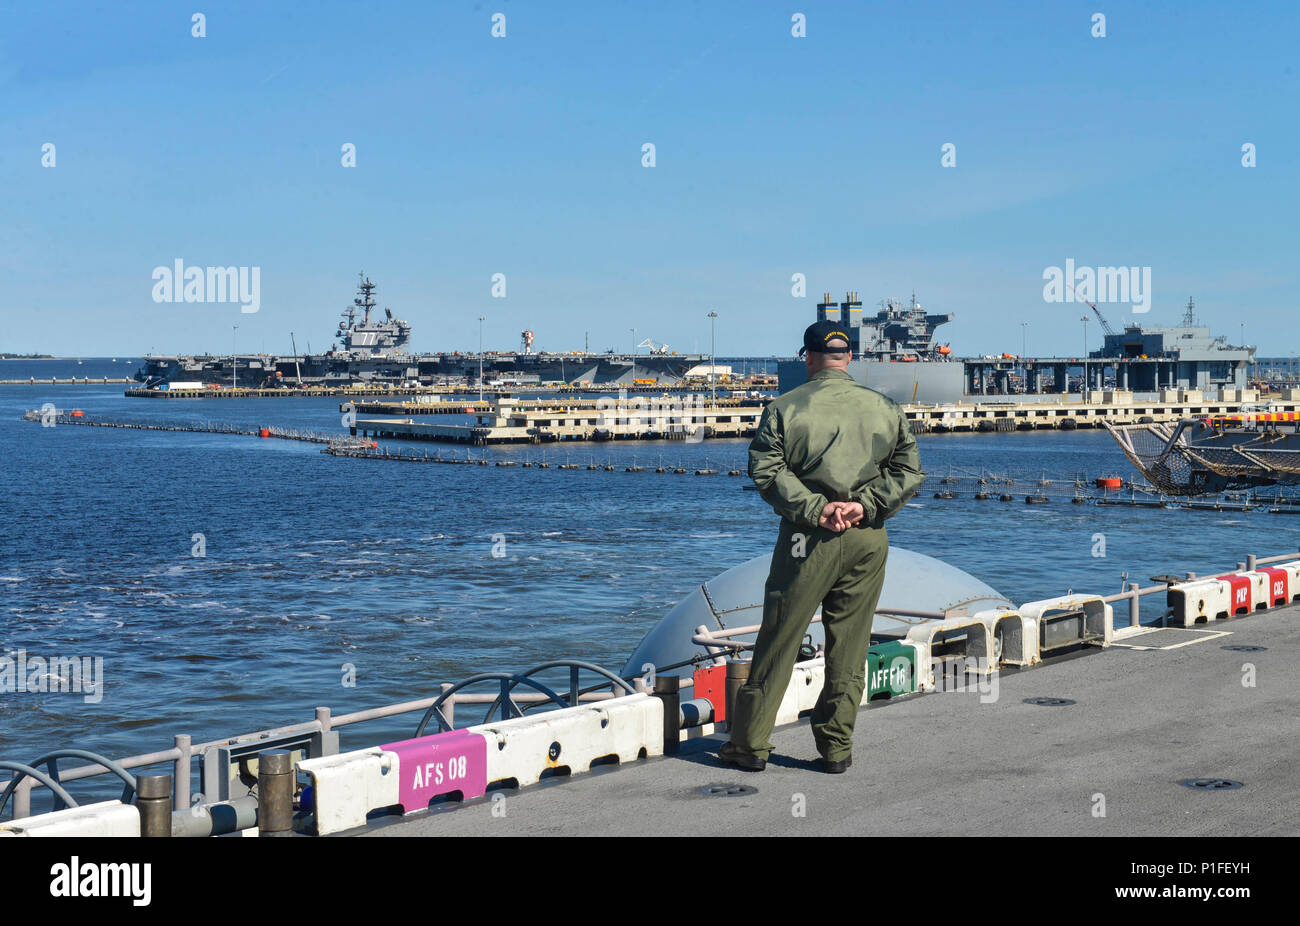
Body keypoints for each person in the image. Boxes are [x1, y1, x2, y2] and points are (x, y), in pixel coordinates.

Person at [719, 320, 924, 773]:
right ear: (848, 358)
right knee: (850, 643)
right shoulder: (885, 408)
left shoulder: (784, 408)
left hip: (805, 539)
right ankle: (836, 749)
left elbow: (767, 471)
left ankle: (750, 745)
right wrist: (862, 506)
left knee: (780, 636)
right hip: (866, 539)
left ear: (807, 357)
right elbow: (909, 473)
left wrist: (817, 509)